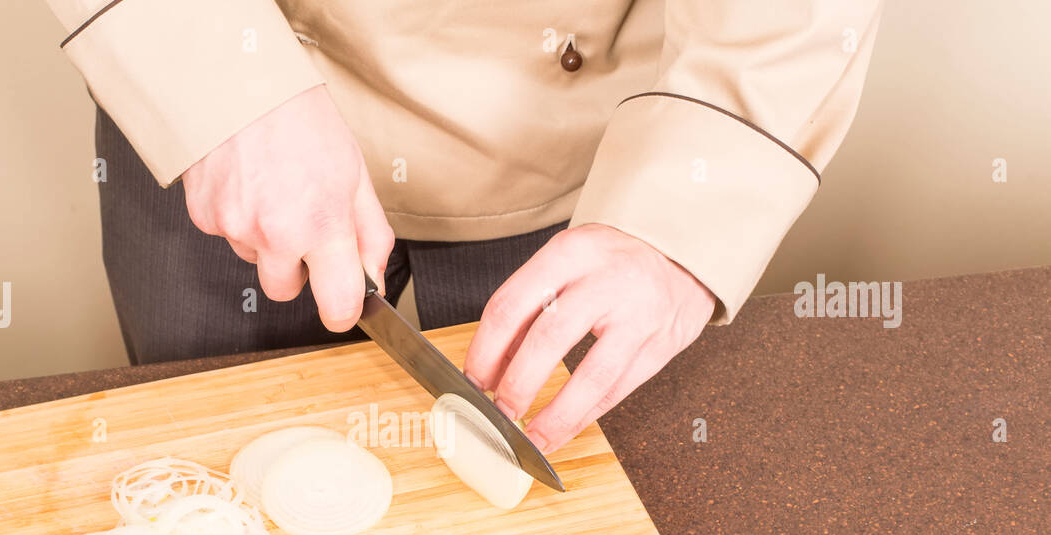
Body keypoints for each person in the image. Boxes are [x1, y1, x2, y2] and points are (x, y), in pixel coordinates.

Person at [47, 0, 882, 454]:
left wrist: (688, 203)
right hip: (224, 115)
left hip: (585, 184)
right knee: (199, 481)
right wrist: (213, 76)